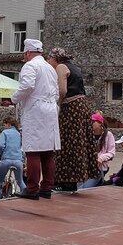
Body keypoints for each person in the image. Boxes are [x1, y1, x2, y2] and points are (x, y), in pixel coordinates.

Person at [11, 38, 61, 200]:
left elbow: (27, 86)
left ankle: (32, 188)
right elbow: (56, 92)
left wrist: (14, 98)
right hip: (50, 109)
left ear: (28, 53)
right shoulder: (50, 68)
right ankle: (47, 187)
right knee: (47, 151)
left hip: (35, 109)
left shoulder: (30, 66)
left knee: (32, 150)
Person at [47, 47, 92, 192]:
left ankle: (65, 180)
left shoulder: (61, 67)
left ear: (55, 59)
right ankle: (73, 179)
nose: (48, 62)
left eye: (49, 59)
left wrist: (58, 103)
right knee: (77, 142)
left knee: (66, 142)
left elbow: (62, 90)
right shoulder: (75, 68)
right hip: (81, 106)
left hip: (71, 106)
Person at [80, 113, 116, 188]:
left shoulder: (108, 135)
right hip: (86, 167)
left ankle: (99, 181)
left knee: (85, 188)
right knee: (78, 186)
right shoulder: (88, 134)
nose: (91, 123)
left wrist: (101, 158)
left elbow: (111, 152)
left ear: (100, 123)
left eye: (93, 121)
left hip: (99, 168)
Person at [0, 116, 25, 198]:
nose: (4, 126)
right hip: (18, 160)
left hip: (6, 159)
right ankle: (25, 194)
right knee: (20, 181)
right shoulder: (19, 133)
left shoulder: (4, 132)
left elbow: (1, 145)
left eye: (4, 124)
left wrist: (2, 152)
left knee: (0, 181)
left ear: (8, 124)